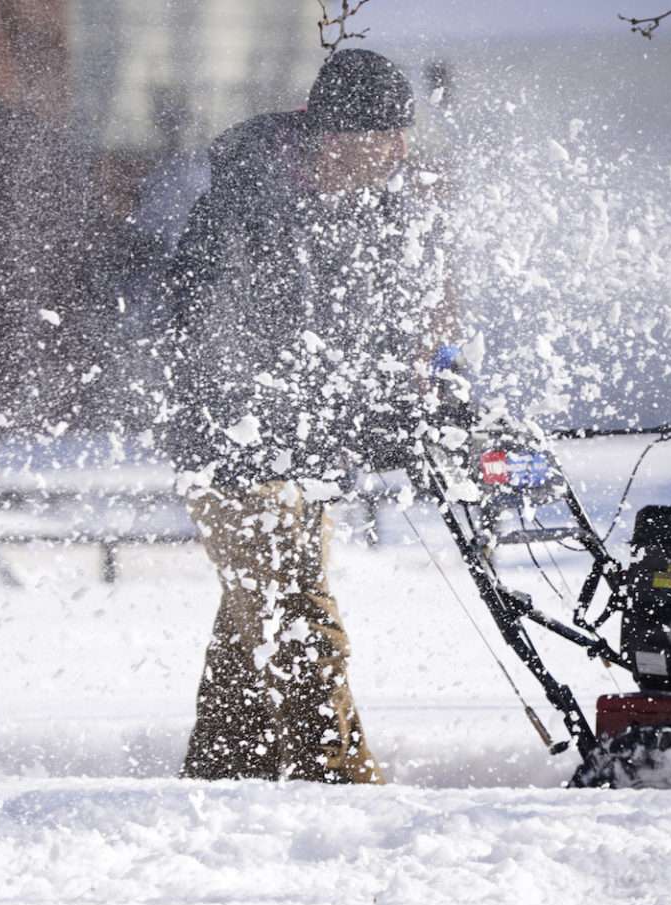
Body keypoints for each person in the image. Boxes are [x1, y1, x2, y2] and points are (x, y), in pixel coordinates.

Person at [160, 49, 455, 784]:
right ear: (332, 136)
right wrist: (289, 419)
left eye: (401, 137)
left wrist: (413, 409)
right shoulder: (240, 209)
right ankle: (345, 786)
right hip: (231, 461)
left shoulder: (383, 214)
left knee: (250, 623)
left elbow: (388, 336)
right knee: (299, 616)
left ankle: (224, 777)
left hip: (309, 463)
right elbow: (208, 343)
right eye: (381, 138)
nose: (397, 154)